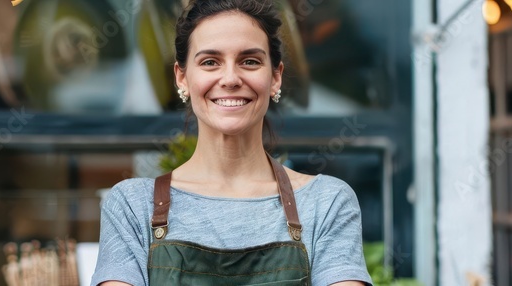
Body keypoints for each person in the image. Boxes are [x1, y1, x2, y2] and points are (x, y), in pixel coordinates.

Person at [91, 0, 372, 285]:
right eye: (210, 62)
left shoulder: (326, 202)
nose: (230, 78)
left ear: (275, 77)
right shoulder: (133, 206)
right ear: (182, 78)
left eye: (249, 61)